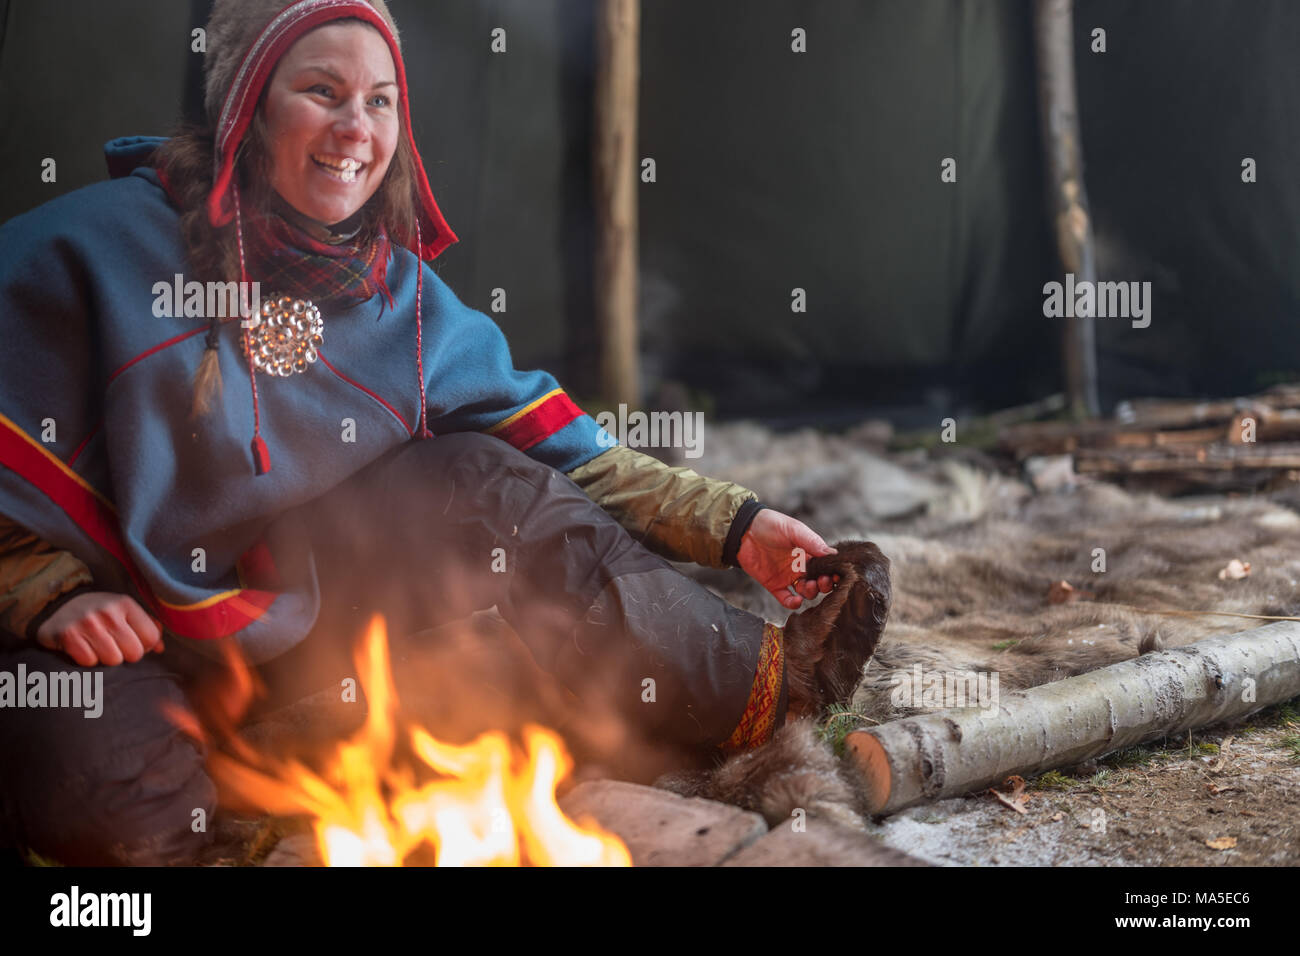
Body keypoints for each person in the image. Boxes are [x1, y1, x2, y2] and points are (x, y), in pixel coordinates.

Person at [0, 0, 879, 865]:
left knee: (485, 482)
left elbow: (572, 451)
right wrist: (45, 593)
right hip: (110, 638)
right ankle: (229, 771)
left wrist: (739, 525)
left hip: (293, 624)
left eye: (380, 100)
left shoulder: (400, 302)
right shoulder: (87, 251)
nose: (356, 129)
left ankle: (763, 684)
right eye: (322, 91)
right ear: (248, 105)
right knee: (123, 814)